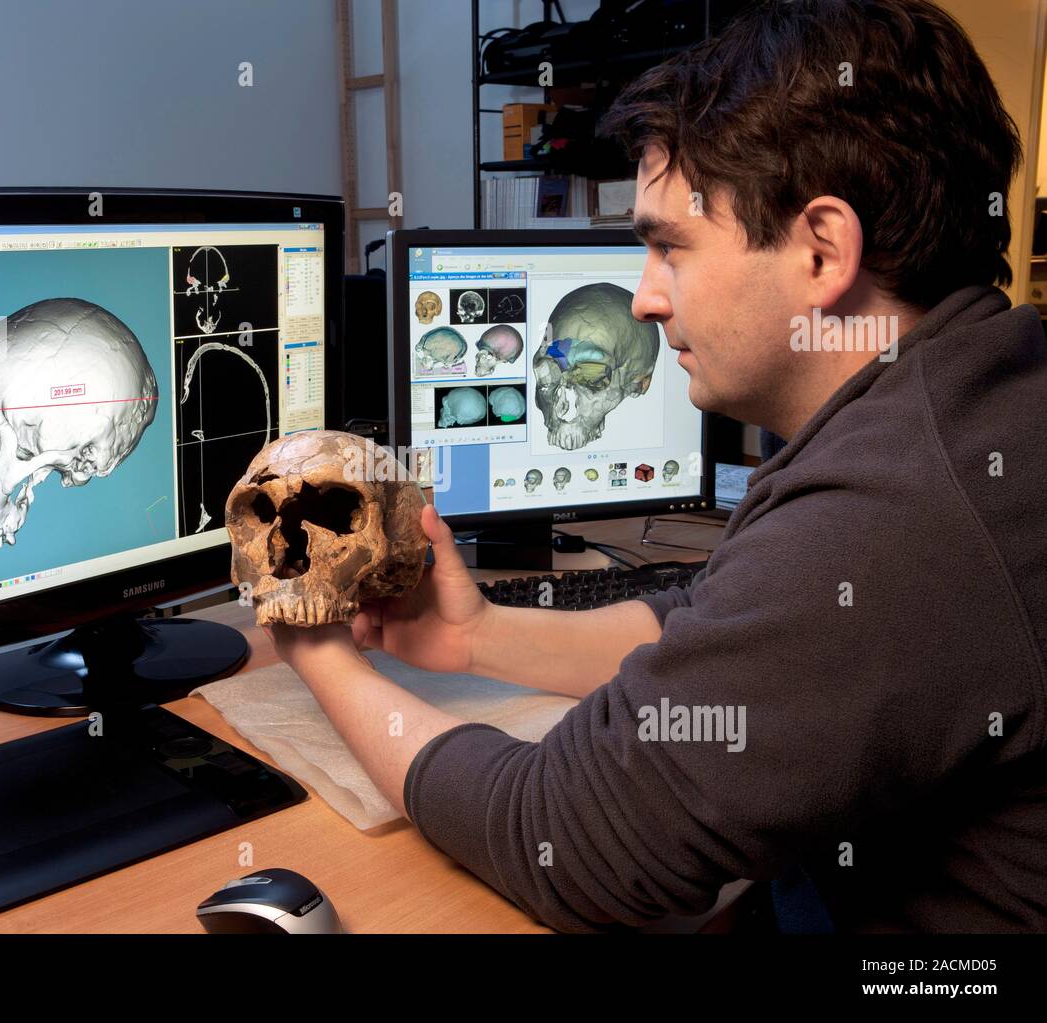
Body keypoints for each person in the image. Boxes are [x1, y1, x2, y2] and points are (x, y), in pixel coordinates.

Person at [265, 0, 1047, 932]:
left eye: (670, 246)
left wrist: (312, 647)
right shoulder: (978, 391)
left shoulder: (894, 510)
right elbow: (721, 620)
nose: (644, 297)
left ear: (823, 250)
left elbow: (558, 836)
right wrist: (475, 638)